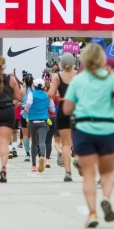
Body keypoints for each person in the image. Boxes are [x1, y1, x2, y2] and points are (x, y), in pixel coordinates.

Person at [62, 44, 114, 228]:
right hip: (107, 129)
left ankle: (93, 213)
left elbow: (67, 109)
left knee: (88, 175)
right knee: (106, 173)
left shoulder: (78, 80)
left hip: (84, 129)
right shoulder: (111, 78)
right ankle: (105, 197)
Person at [49, 53, 77, 182]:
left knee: (65, 143)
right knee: (80, 138)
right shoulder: (78, 75)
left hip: (63, 107)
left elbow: (50, 94)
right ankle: (79, 159)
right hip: (77, 108)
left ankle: (68, 171)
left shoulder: (57, 76)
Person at [24, 78, 54, 173]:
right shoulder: (47, 96)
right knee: (42, 141)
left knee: (34, 142)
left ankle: (33, 164)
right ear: (44, 87)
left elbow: (28, 103)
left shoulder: (31, 94)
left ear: (34, 86)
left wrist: (26, 109)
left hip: (32, 121)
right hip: (43, 121)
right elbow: (52, 109)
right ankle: (42, 157)